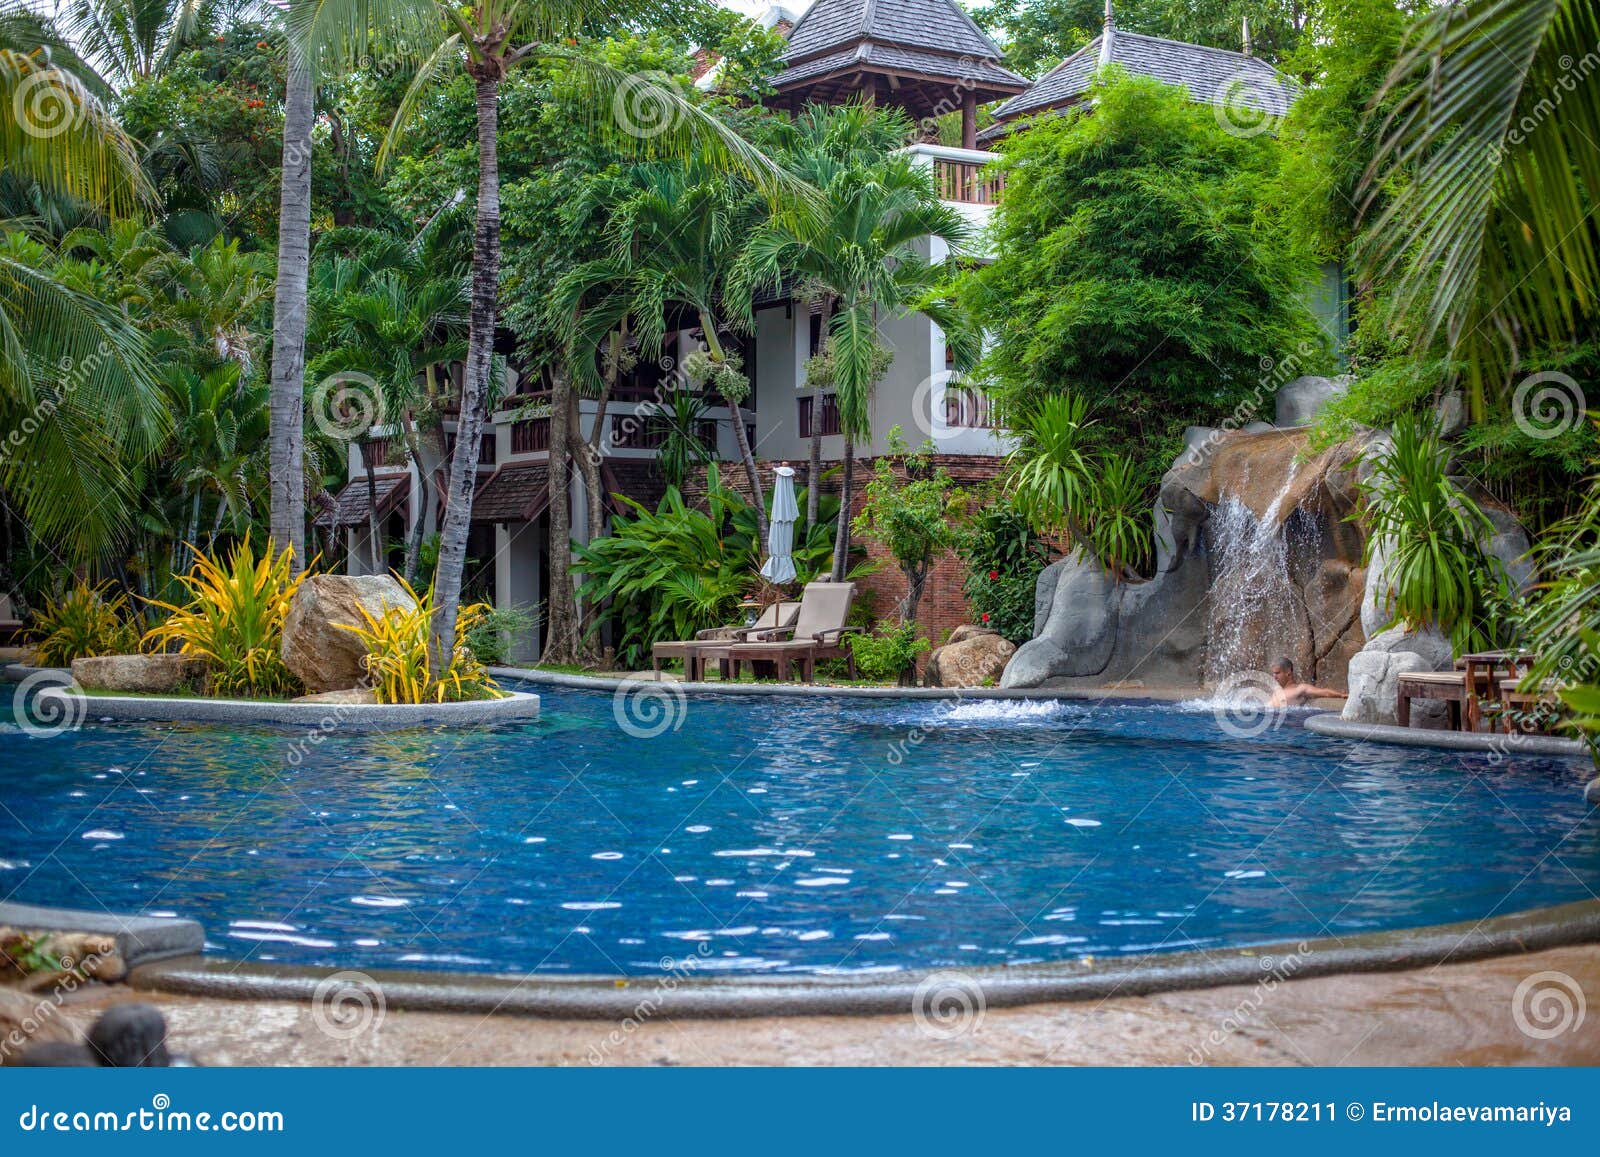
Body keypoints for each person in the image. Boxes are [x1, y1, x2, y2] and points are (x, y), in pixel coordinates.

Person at [1268, 657, 1343, 706]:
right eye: (1273, 673)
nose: (1274, 676)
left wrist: (1342, 695)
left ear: (1288, 672)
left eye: (1277, 673)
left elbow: (1324, 692)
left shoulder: (1299, 689)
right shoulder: (1277, 690)